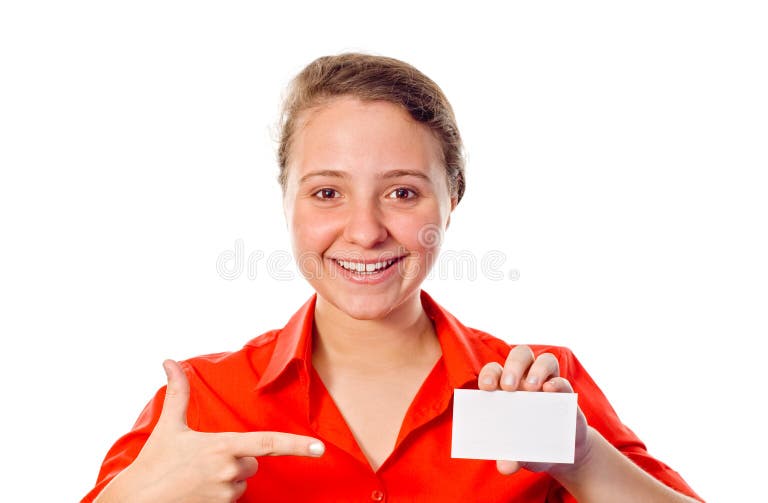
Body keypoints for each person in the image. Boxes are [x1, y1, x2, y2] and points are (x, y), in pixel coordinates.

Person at [83, 53, 702, 502]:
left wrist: (584, 459)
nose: (365, 230)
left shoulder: (538, 391)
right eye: (327, 192)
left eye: (402, 192)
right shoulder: (201, 402)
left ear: (452, 197)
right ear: (286, 201)